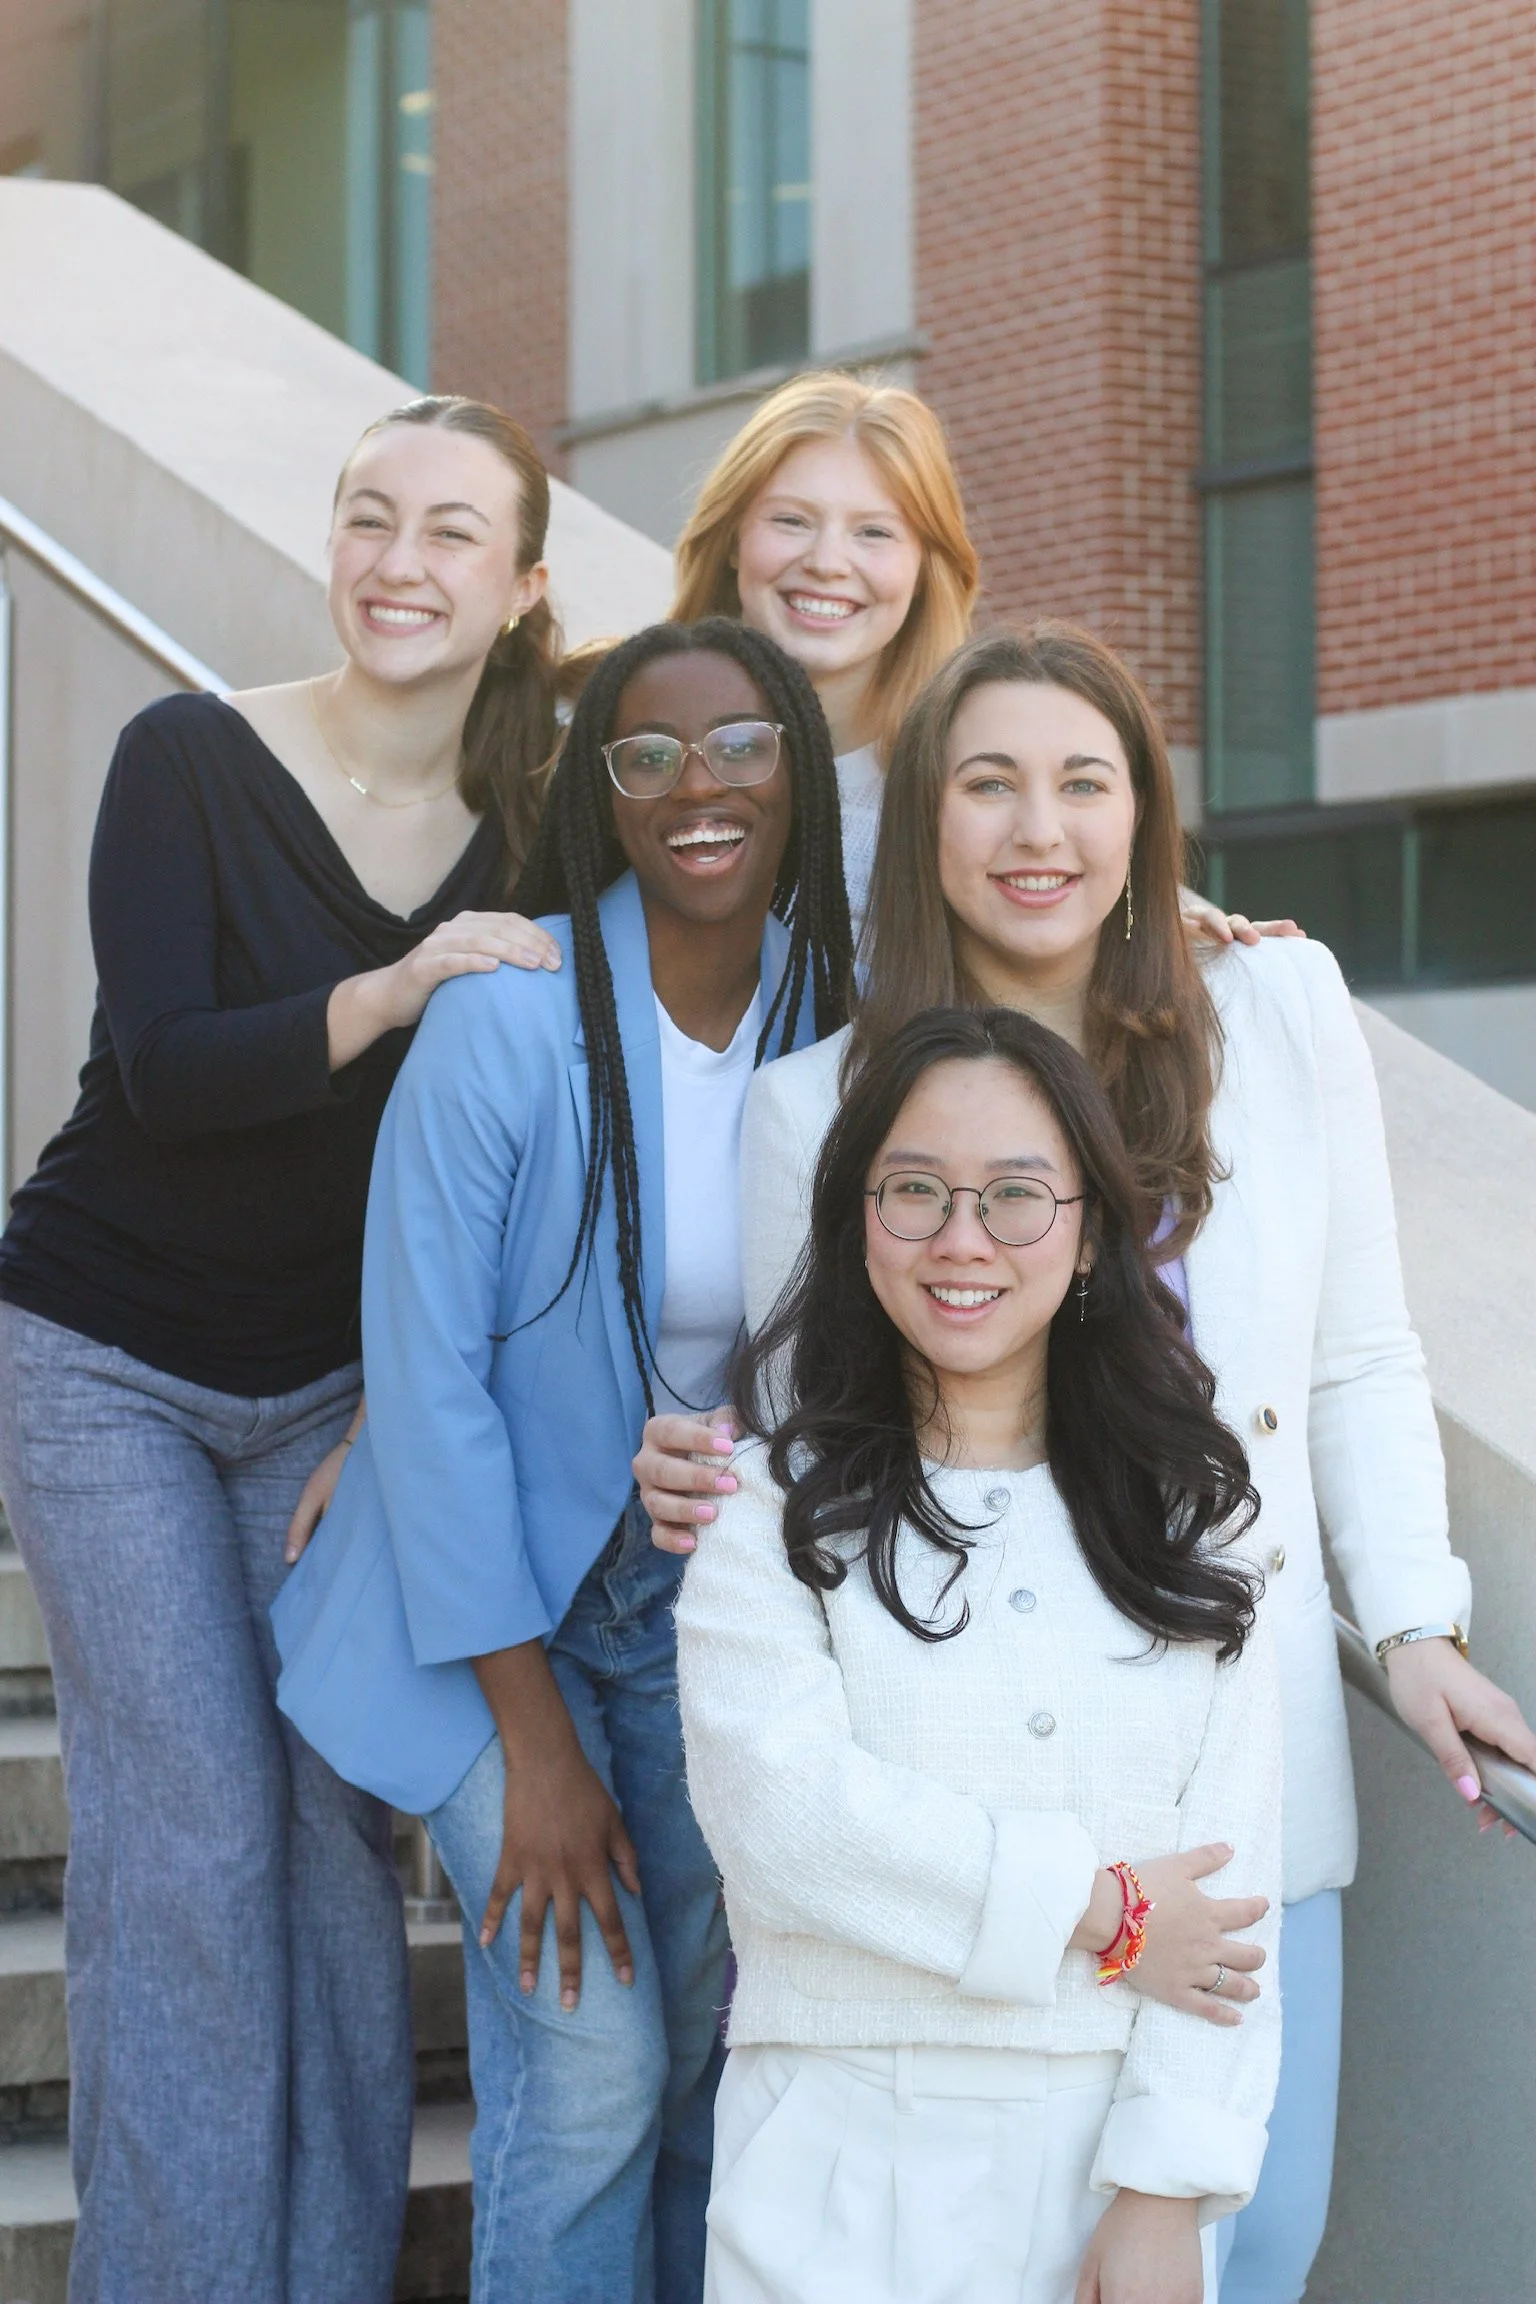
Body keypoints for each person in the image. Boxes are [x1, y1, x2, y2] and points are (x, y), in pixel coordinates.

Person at [642, 622, 1536, 2304]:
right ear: (924, 820)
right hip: (950, 1793)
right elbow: (821, 1455)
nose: (1038, 828)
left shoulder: (1272, 1007)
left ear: (1145, 817)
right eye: (989, 783)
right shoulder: (818, 1108)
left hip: (1227, 1758)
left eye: (1084, 782)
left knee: (1245, 2237)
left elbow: (1357, 1352)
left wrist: (1416, 1622)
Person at [0, 391, 564, 2304]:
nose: (398, 562)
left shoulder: (542, 820)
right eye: (367, 517)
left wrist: (400, 1413)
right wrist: (398, 983)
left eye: (450, 531)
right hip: (105, 1355)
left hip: (328, 1391)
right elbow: (165, 1066)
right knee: (192, 1841)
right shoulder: (186, 756)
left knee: (332, 1836)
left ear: (522, 586)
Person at [272, 619, 854, 2304]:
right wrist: (535, 1744)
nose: (697, 786)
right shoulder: (512, 1009)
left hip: (701, 1599)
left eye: (740, 744)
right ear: (603, 792)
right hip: (478, 1608)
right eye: (647, 754)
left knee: (696, 2060)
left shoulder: (840, 1015)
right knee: (594, 2059)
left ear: (798, 770)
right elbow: (428, 1375)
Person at [676, 1006, 1283, 2304]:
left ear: (1090, 1233)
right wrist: (1105, 1913)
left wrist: (1166, 2191)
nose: (963, 1239)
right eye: (915, 1192)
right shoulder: (769, 1510)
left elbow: (1237, 1891)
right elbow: (785, 1822)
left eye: (1016, 1196)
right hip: (831, 2159)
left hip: (1105, 2172)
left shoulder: (1191, 1517)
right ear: (857, 1222)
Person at [671, 368, 1284, 957]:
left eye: (874, 532)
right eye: (791, 520)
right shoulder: (635, 755)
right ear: (732, 539)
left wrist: (1162, 926)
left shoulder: (973, 784)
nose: (828, 562)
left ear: (924, 566)